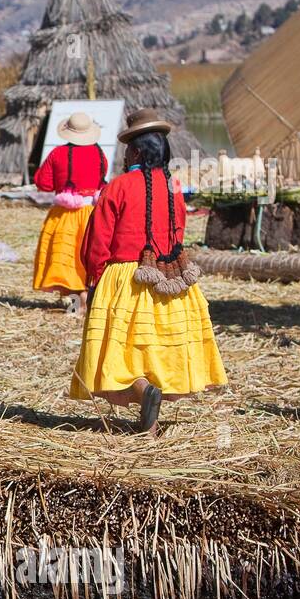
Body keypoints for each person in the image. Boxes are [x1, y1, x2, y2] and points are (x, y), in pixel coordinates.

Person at [70, 108, 227, 433]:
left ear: (138, 151)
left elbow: (98, 239)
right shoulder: (173, 187)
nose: (125, 153)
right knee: (154, 348)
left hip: (124, 279)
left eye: (128, 147)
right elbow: (179, 234)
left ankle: (142, 392)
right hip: (168, 279)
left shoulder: (119, 186)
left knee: (123, 352)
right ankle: (150, 423)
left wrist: (92, 278)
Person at [32, 111, 108, 316]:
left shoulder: (58, 154)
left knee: (68, 260)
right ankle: (89, 301)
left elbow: (43, 182)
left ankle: (77, 303)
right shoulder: (100, 153)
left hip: (66, 213)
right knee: (87, 258)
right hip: (92, 212)